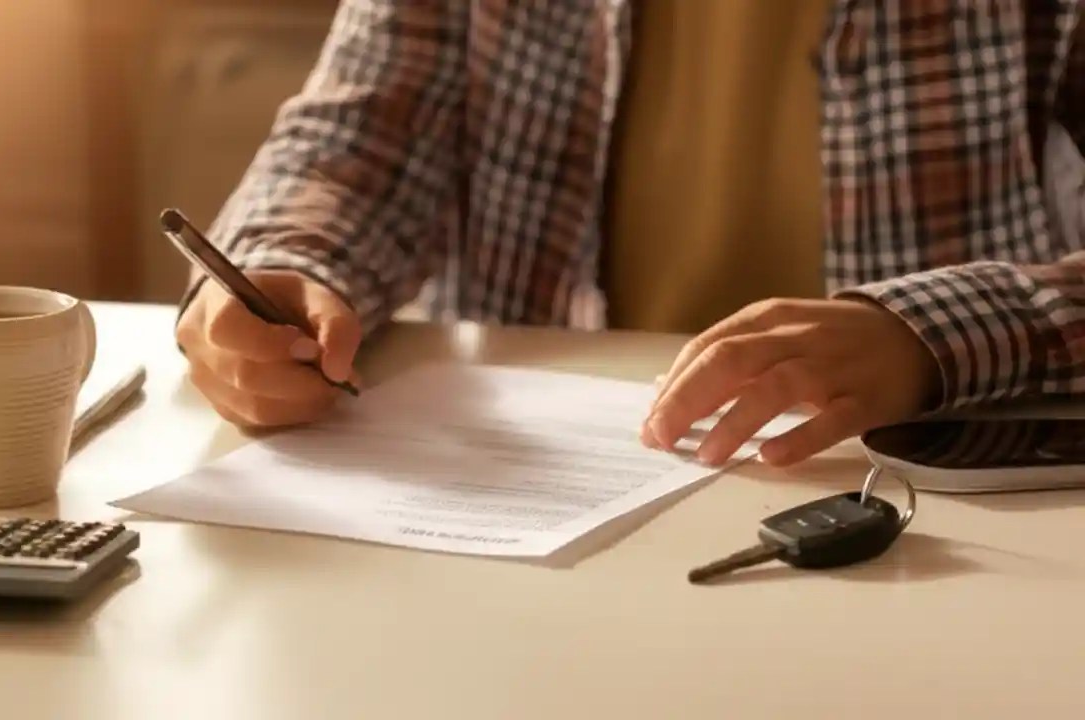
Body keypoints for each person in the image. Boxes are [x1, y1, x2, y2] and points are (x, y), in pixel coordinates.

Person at [175, 1, 1085, 467]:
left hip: (921, 501)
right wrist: (275, 273)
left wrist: (932, 334)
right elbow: (362, 131)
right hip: (538, 496)